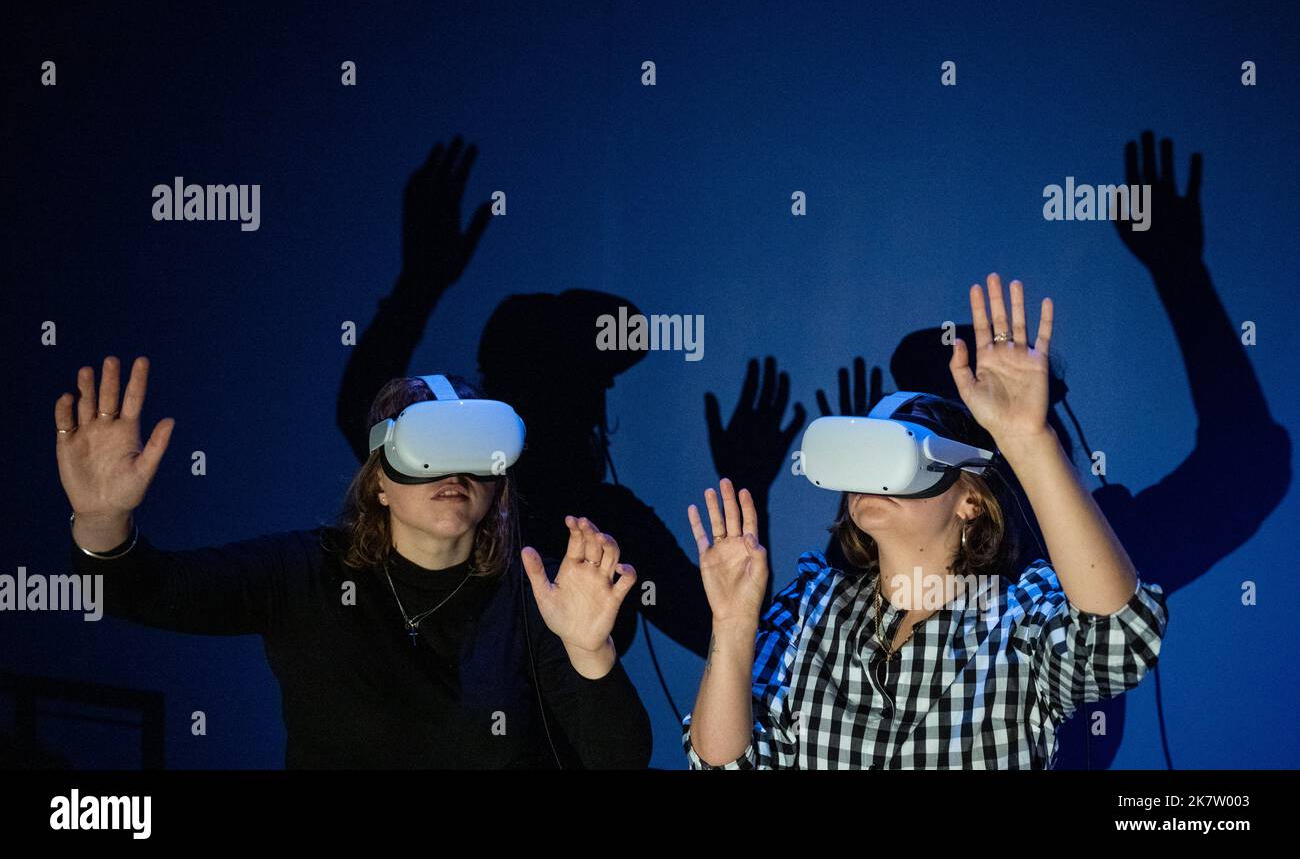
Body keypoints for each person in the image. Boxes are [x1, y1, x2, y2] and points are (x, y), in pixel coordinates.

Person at [56, 356, 653, 768]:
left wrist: (589, 653)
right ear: (380, 485)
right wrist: (103, 522)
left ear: (497, 482)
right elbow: (147, 591)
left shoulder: (537, 591)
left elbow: (621, 760)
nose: (452, 474)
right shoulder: (305, 573)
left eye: (472, 454)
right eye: (426, 452)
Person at [682, 274, 1169, 769]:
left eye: (895, 455)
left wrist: (1028, 438)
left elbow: (1119, 642)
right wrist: (733, 624)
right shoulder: (812, 605)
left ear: (970, 501)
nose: (872, 479)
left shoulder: (1015, 617)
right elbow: (723, 764)